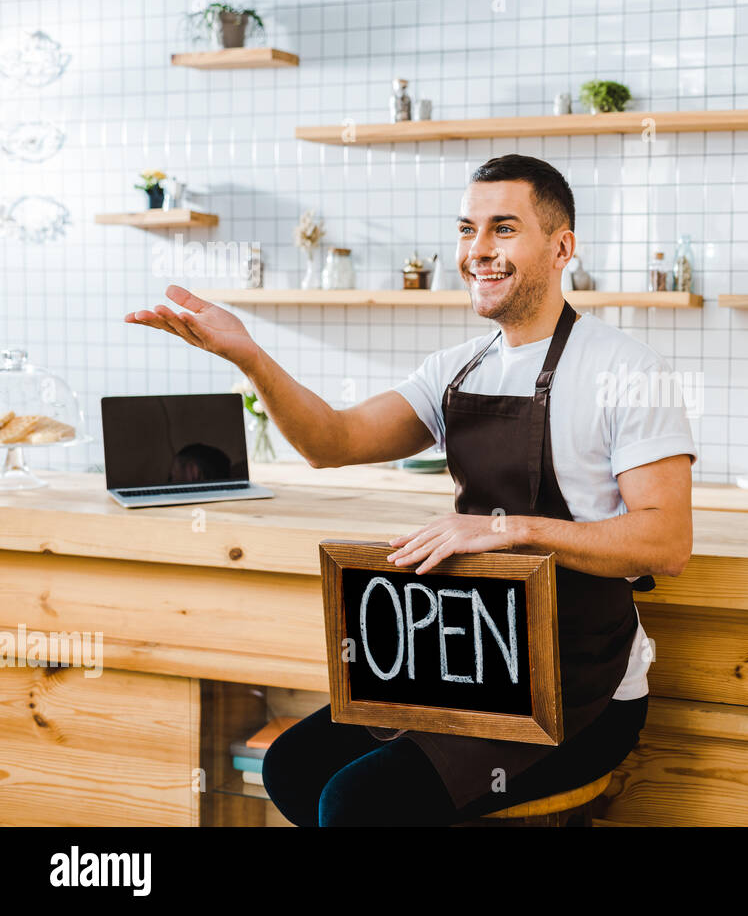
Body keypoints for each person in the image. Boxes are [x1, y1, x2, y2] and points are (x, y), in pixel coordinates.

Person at [125, 154, 696, 825]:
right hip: (466, 670)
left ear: (561, 246)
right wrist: (252, 356)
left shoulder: (625, 368)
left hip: (577, 695)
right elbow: (330, 441)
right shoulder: (455, 371)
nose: (478, 250)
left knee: (355, 804)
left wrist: (512, 527)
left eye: (503, 229)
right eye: (467, 229)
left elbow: (665, 541)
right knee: (293, 766)